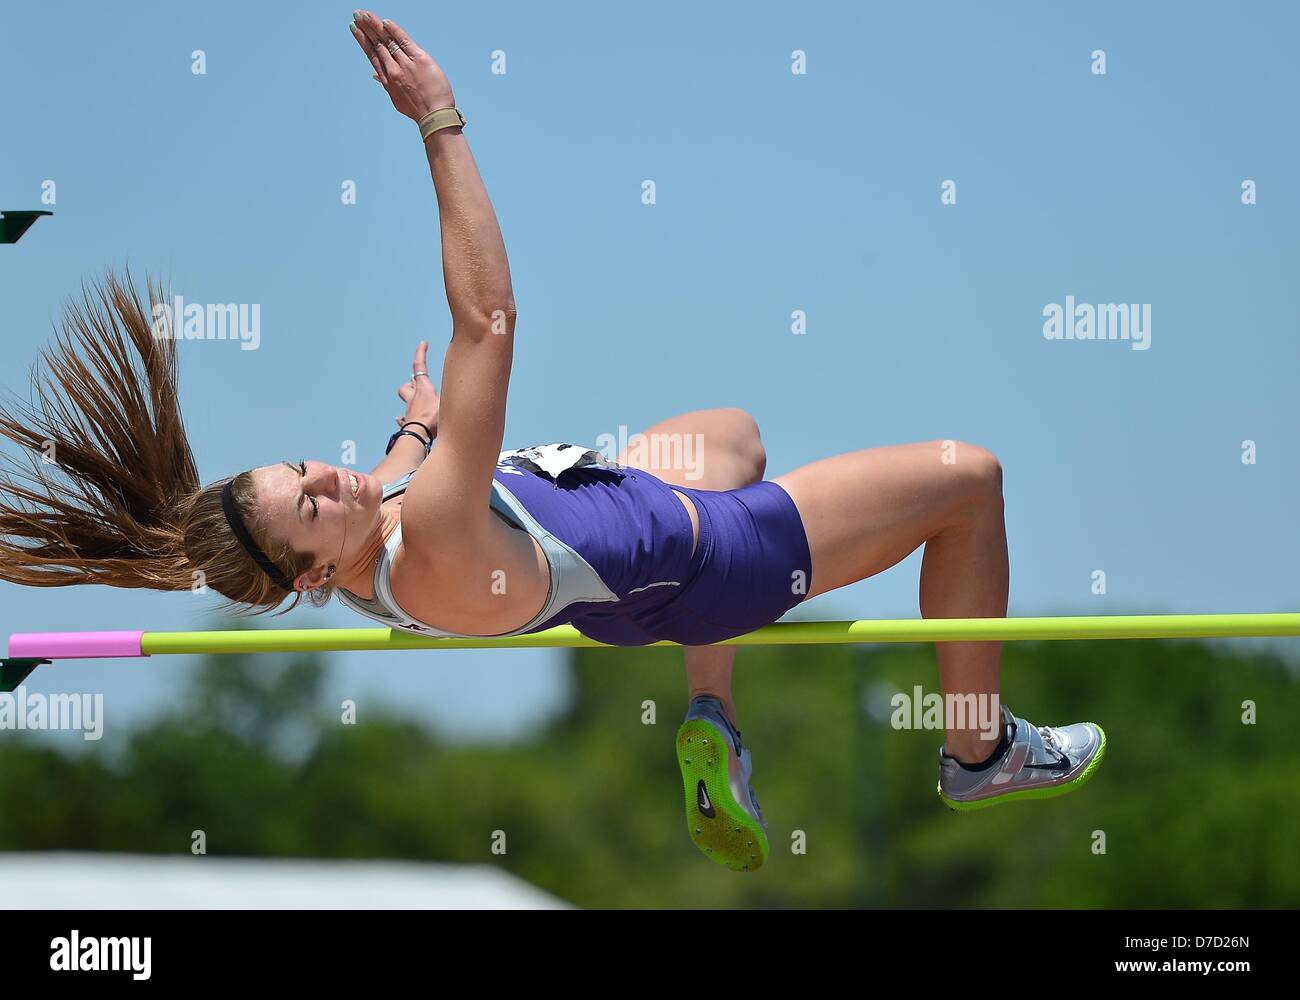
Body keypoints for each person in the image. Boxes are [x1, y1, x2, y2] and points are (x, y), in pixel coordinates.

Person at [0, 11, 1103, 872]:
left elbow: (393, 469)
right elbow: (490, 321)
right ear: (307, 568)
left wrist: (409, 427)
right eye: (311, 500)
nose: (328, 474)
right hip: (722, 560)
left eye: (302, 465)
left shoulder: (371, 543)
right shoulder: (425, 532)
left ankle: (711, 714)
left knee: (731, 434)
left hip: (624, 563)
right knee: (972, 480)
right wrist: (440, 120)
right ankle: (976, 749)